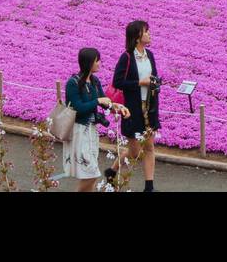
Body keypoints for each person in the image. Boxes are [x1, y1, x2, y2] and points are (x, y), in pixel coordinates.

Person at [65, 47, 129, 191]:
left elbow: (105, 103)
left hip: (92, 132)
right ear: (89, 63)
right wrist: (98, 101)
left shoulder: (94, 81)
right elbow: (78, 108)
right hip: (79, 132)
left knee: (90, 174)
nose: (100, 63)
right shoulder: (73, 83)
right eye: (97, 61)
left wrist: (118, 107)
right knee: (91, 174)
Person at [112, 20, 161, 192]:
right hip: (132, 109)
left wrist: (155, 83)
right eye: (146, 31)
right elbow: (117, 82)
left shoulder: (150, 55)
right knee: (134, 152)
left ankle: (149, 186)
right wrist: (140, 82)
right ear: (137, 36)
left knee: (149, 147)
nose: (149, 34)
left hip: (149, 108)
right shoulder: (126, 57)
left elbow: (153, 77)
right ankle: (112, 171)